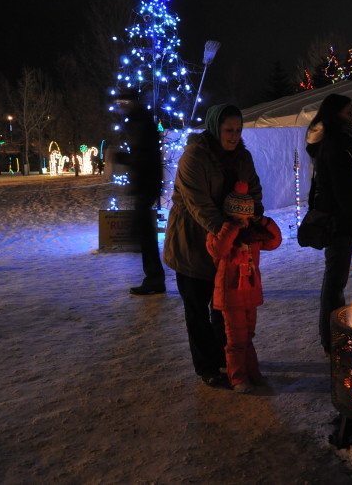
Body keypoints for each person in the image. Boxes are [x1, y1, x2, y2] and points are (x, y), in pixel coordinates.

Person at [163, 104, 263, 388]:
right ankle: (205, 366)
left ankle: (225, 357)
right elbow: (200, 207)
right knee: (197, 308)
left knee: (224, 308)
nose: (234, 136)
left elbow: (254, 190)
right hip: (192, 244)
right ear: (215, 128)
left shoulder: (243, 157)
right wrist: (229, 230)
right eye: (228, 130)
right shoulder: (194, 157)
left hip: (227, 245)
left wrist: (253, 216)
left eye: (238, 130)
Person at [305, 94, 352, 354]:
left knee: (334, 280)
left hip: (333, 220)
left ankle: (330, 336)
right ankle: (332, 338)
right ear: (335, 115)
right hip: (340, 223)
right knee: (335, 281)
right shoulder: (339, 145)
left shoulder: (326, 143)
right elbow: (350, 192)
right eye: (347, 112)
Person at [206, 181, 282, 393]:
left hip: (250, 293)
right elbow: (218, 251)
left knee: (248, 336)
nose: (243, 223)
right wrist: (232, 227)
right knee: (236, 339)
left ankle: (252, 372)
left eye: (246, 217)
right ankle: (238, 378)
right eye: (238, 218)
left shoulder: (254, 235)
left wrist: (264, 222)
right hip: (230, 296)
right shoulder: (220, 233)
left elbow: (275, 241)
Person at [112, 88, 166, 296]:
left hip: (147, 183)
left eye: (124, 103)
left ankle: (154, 278)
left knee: (145, 233)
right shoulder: (137, 120)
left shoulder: (140, 122)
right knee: (145, 233)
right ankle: (154, 277)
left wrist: (120, 158)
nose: (121, 107)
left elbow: (144, 156)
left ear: (132, 102)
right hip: (146, 183)